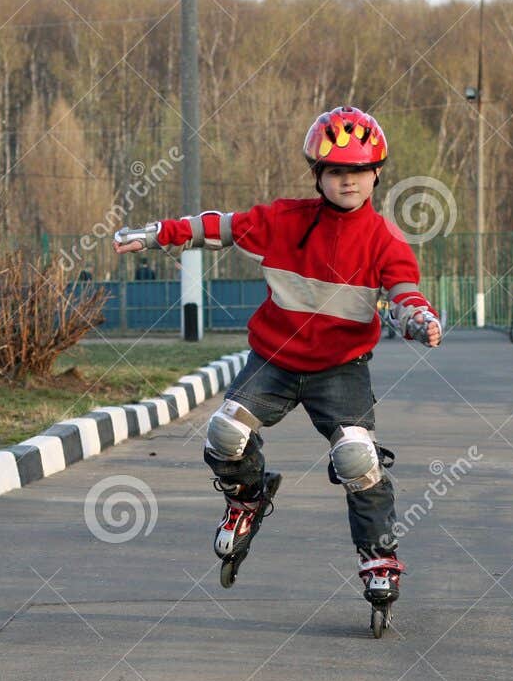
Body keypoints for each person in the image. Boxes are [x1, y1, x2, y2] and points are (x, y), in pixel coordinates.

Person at [112, 106, 441, 610]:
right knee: (225, 432)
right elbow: (217, 226)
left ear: (376, 173)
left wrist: (418, 320)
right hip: (275, 360)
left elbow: (404, 293)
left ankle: (378, 555)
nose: (347, 181)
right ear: (318, 175)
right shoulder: (285, 221)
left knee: (357, 456)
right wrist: (159, 232)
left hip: (340, 367)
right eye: (335, 171)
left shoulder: (386, 241)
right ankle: (247, 498)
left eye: (357, 170)